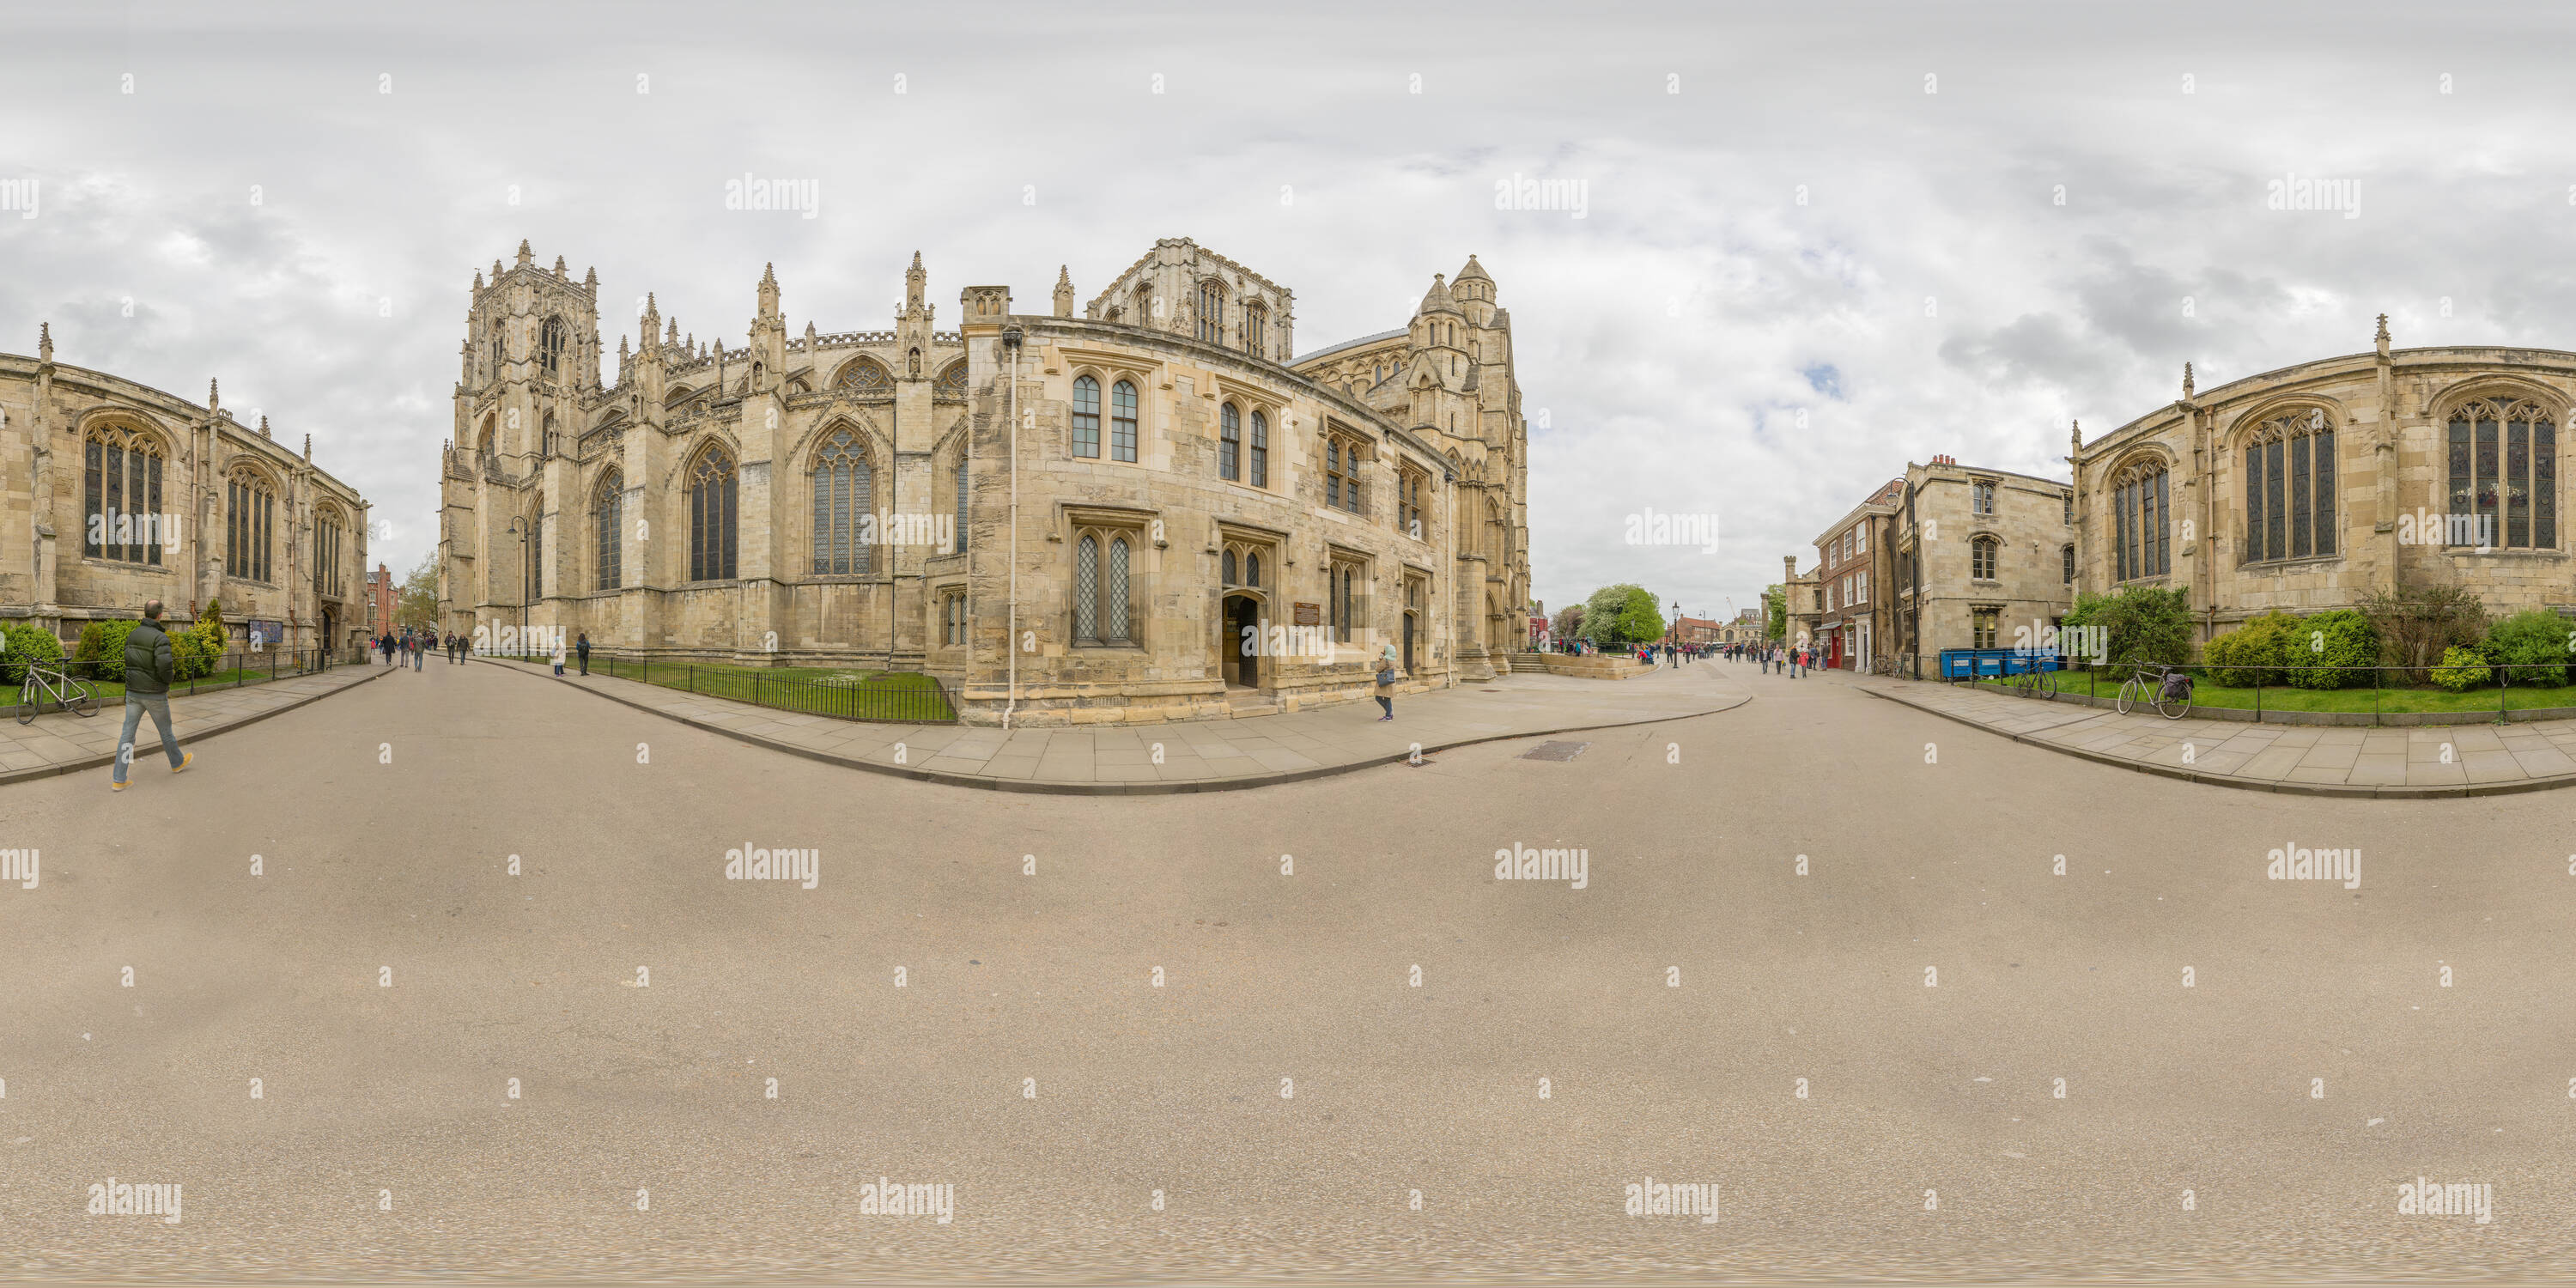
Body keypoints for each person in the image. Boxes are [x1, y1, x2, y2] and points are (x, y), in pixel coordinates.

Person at [110, 600, 191, 791]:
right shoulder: (160, 637)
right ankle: (177, 762)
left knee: (127, 735)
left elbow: (129, 661)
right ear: (160, 615)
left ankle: (119, 778)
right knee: (166, 732)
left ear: (145, 613)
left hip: (133, 693)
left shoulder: (132, 635)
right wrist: (168, 681)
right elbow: (165, 667)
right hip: (154, 693)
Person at [1373, 641, 1399, 720]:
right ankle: (1389, 713)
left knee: (1378, 697)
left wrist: (1380, 659)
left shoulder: (1385, 660)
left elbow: (1378, 669)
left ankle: (1389, 712)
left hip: (1384, 681)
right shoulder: (1394, 660)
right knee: (1387, 698)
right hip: (1391, 681)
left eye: (1385, 650)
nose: (1384, 651)